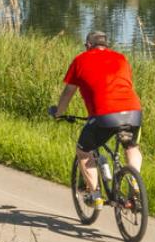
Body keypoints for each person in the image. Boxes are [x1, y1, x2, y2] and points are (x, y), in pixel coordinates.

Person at [49, 28, 143, 203]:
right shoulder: (121, 58)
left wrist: (58, 113)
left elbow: (68, 92)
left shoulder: (80, 60)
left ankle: (95, 195)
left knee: (83, 151)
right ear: (106, 45)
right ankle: (135, 184)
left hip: (105, 115)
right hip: (133, 111)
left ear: (87, 45)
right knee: (131, 147)